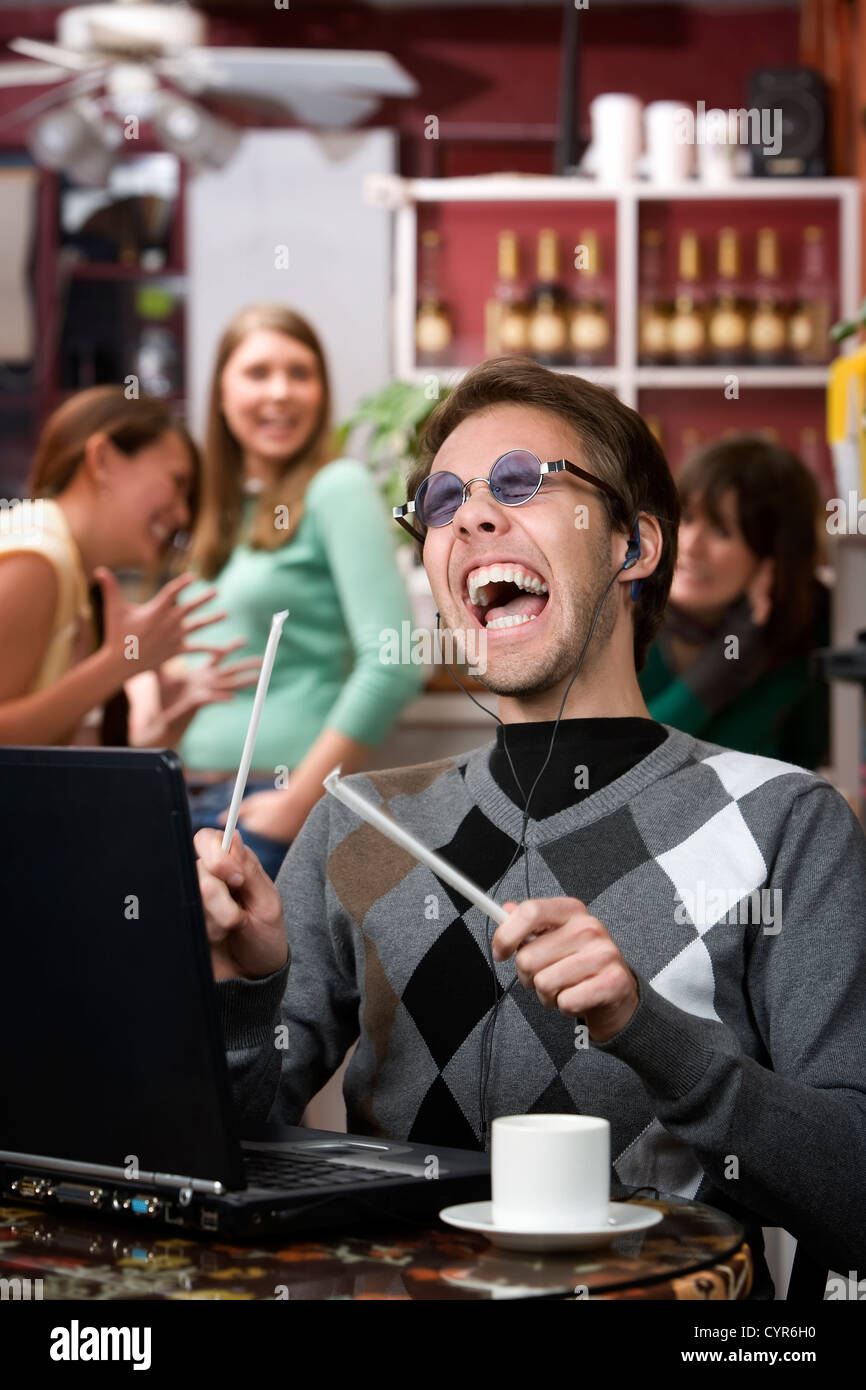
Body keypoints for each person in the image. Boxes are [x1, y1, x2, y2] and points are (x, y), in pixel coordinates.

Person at [194, 358, 866, 1299]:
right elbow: (203, 1172)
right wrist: (242, 992)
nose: (468, 517)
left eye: (523, 482)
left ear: (634, 546)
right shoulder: (360, 825)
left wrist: (646, 1030)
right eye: (439, 502)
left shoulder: (785, 822)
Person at [179, 304, 422, 878]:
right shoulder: (220, 512)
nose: (282, 392)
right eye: (259, 373)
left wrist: (298, 802)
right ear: (219, 391)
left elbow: (395, 659)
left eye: (301, 373)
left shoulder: (338, 487)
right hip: (185, 799)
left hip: (265, 810)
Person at [0, 387, 256, 748]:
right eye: (177, 483)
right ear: (102, 459)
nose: (182, 515)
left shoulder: (71, 581)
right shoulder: (36, 560)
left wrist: (156, 736)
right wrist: (116, 666)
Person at [640, 435, 830, 768]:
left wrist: (747, 649)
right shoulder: (621, 616)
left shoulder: (806, 640)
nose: (689, 545)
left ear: (772, 556)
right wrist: (718, 672)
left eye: (721, 531)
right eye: (686, 519)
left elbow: (793, 775)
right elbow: (620, 762)